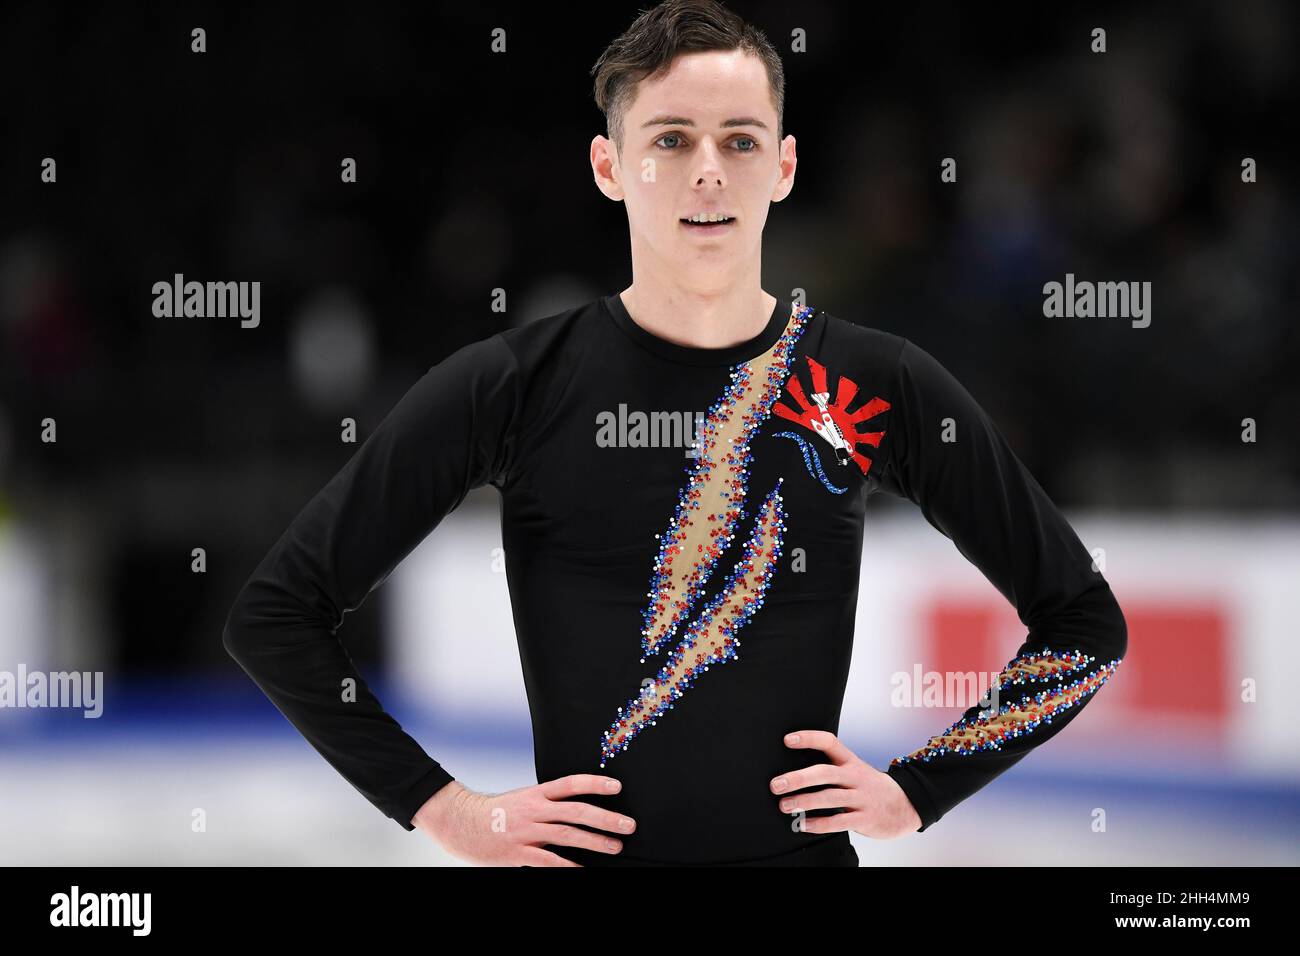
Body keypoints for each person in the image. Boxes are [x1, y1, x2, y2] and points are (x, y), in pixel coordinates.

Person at [222, 0, 1127, 867]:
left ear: (784, 167)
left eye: (740, 140)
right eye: (670, 139)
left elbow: (1084, 625)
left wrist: (921, 790)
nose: (708, 171)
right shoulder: (510, 386)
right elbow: (275, 618)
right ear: (608, 166)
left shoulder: (872, 382)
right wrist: (444, 808)